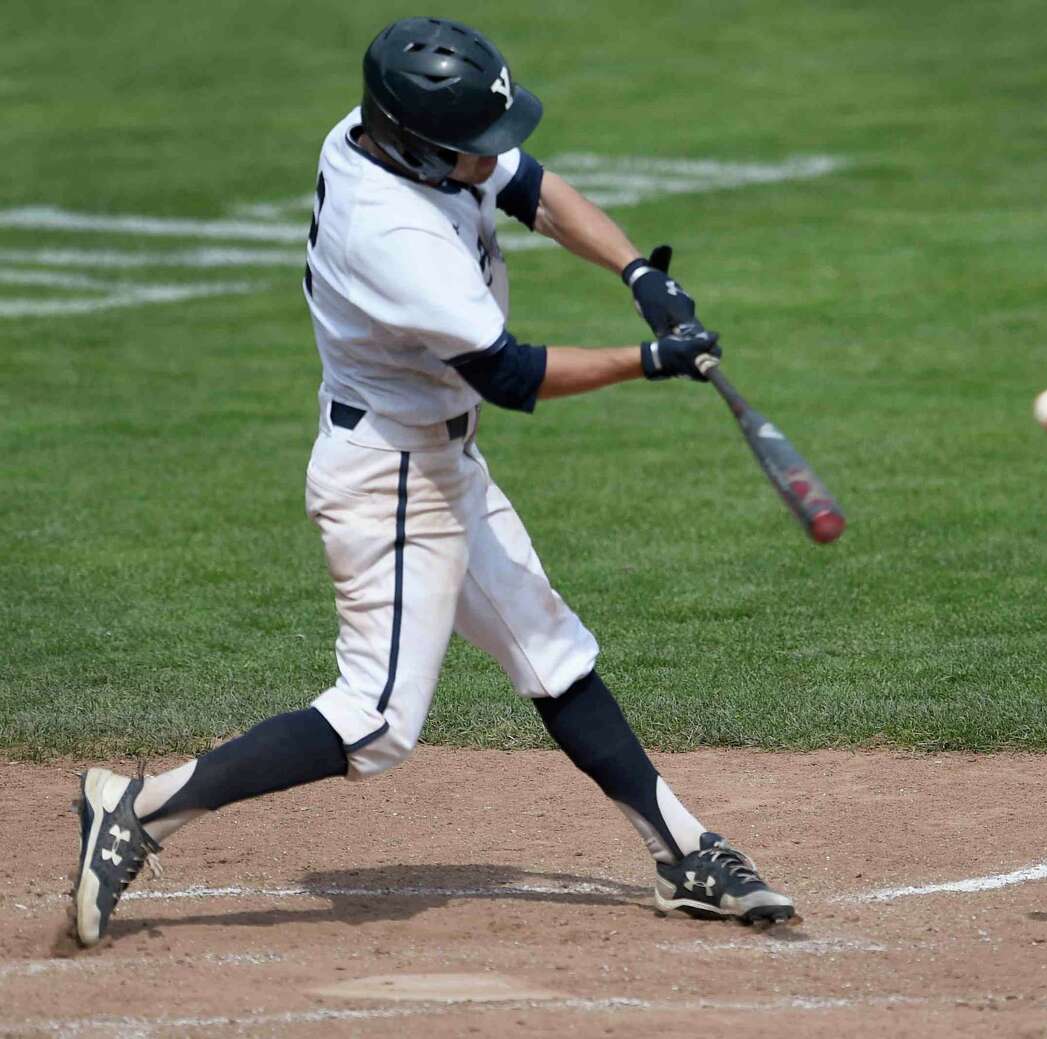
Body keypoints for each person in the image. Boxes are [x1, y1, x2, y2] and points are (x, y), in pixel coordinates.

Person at [70, 16, 794, 948]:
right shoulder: (392, 233)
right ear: (415, 146)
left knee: (551, 649)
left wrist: (634, 273)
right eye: (467, 147)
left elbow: (528, 185)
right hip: (392, 478)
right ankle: (135, 808)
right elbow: (510, 372)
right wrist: (648, 358)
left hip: (440, 456)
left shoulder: (391, 136)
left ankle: (682, 851)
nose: (486, 158)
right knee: (375, 722)